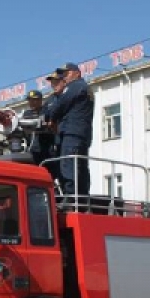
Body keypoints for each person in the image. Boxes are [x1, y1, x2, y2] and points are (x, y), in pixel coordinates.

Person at [47, 62, 94, 199]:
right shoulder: (85, 88)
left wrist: (51, 118)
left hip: (72, 133)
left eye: (66, 73)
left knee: (69, 166)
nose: (64, 77)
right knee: (80, 168)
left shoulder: (76, 86)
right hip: (81, 134)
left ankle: (71, 199)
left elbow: (61, 103)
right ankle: (83, 199)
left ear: (77, 73)